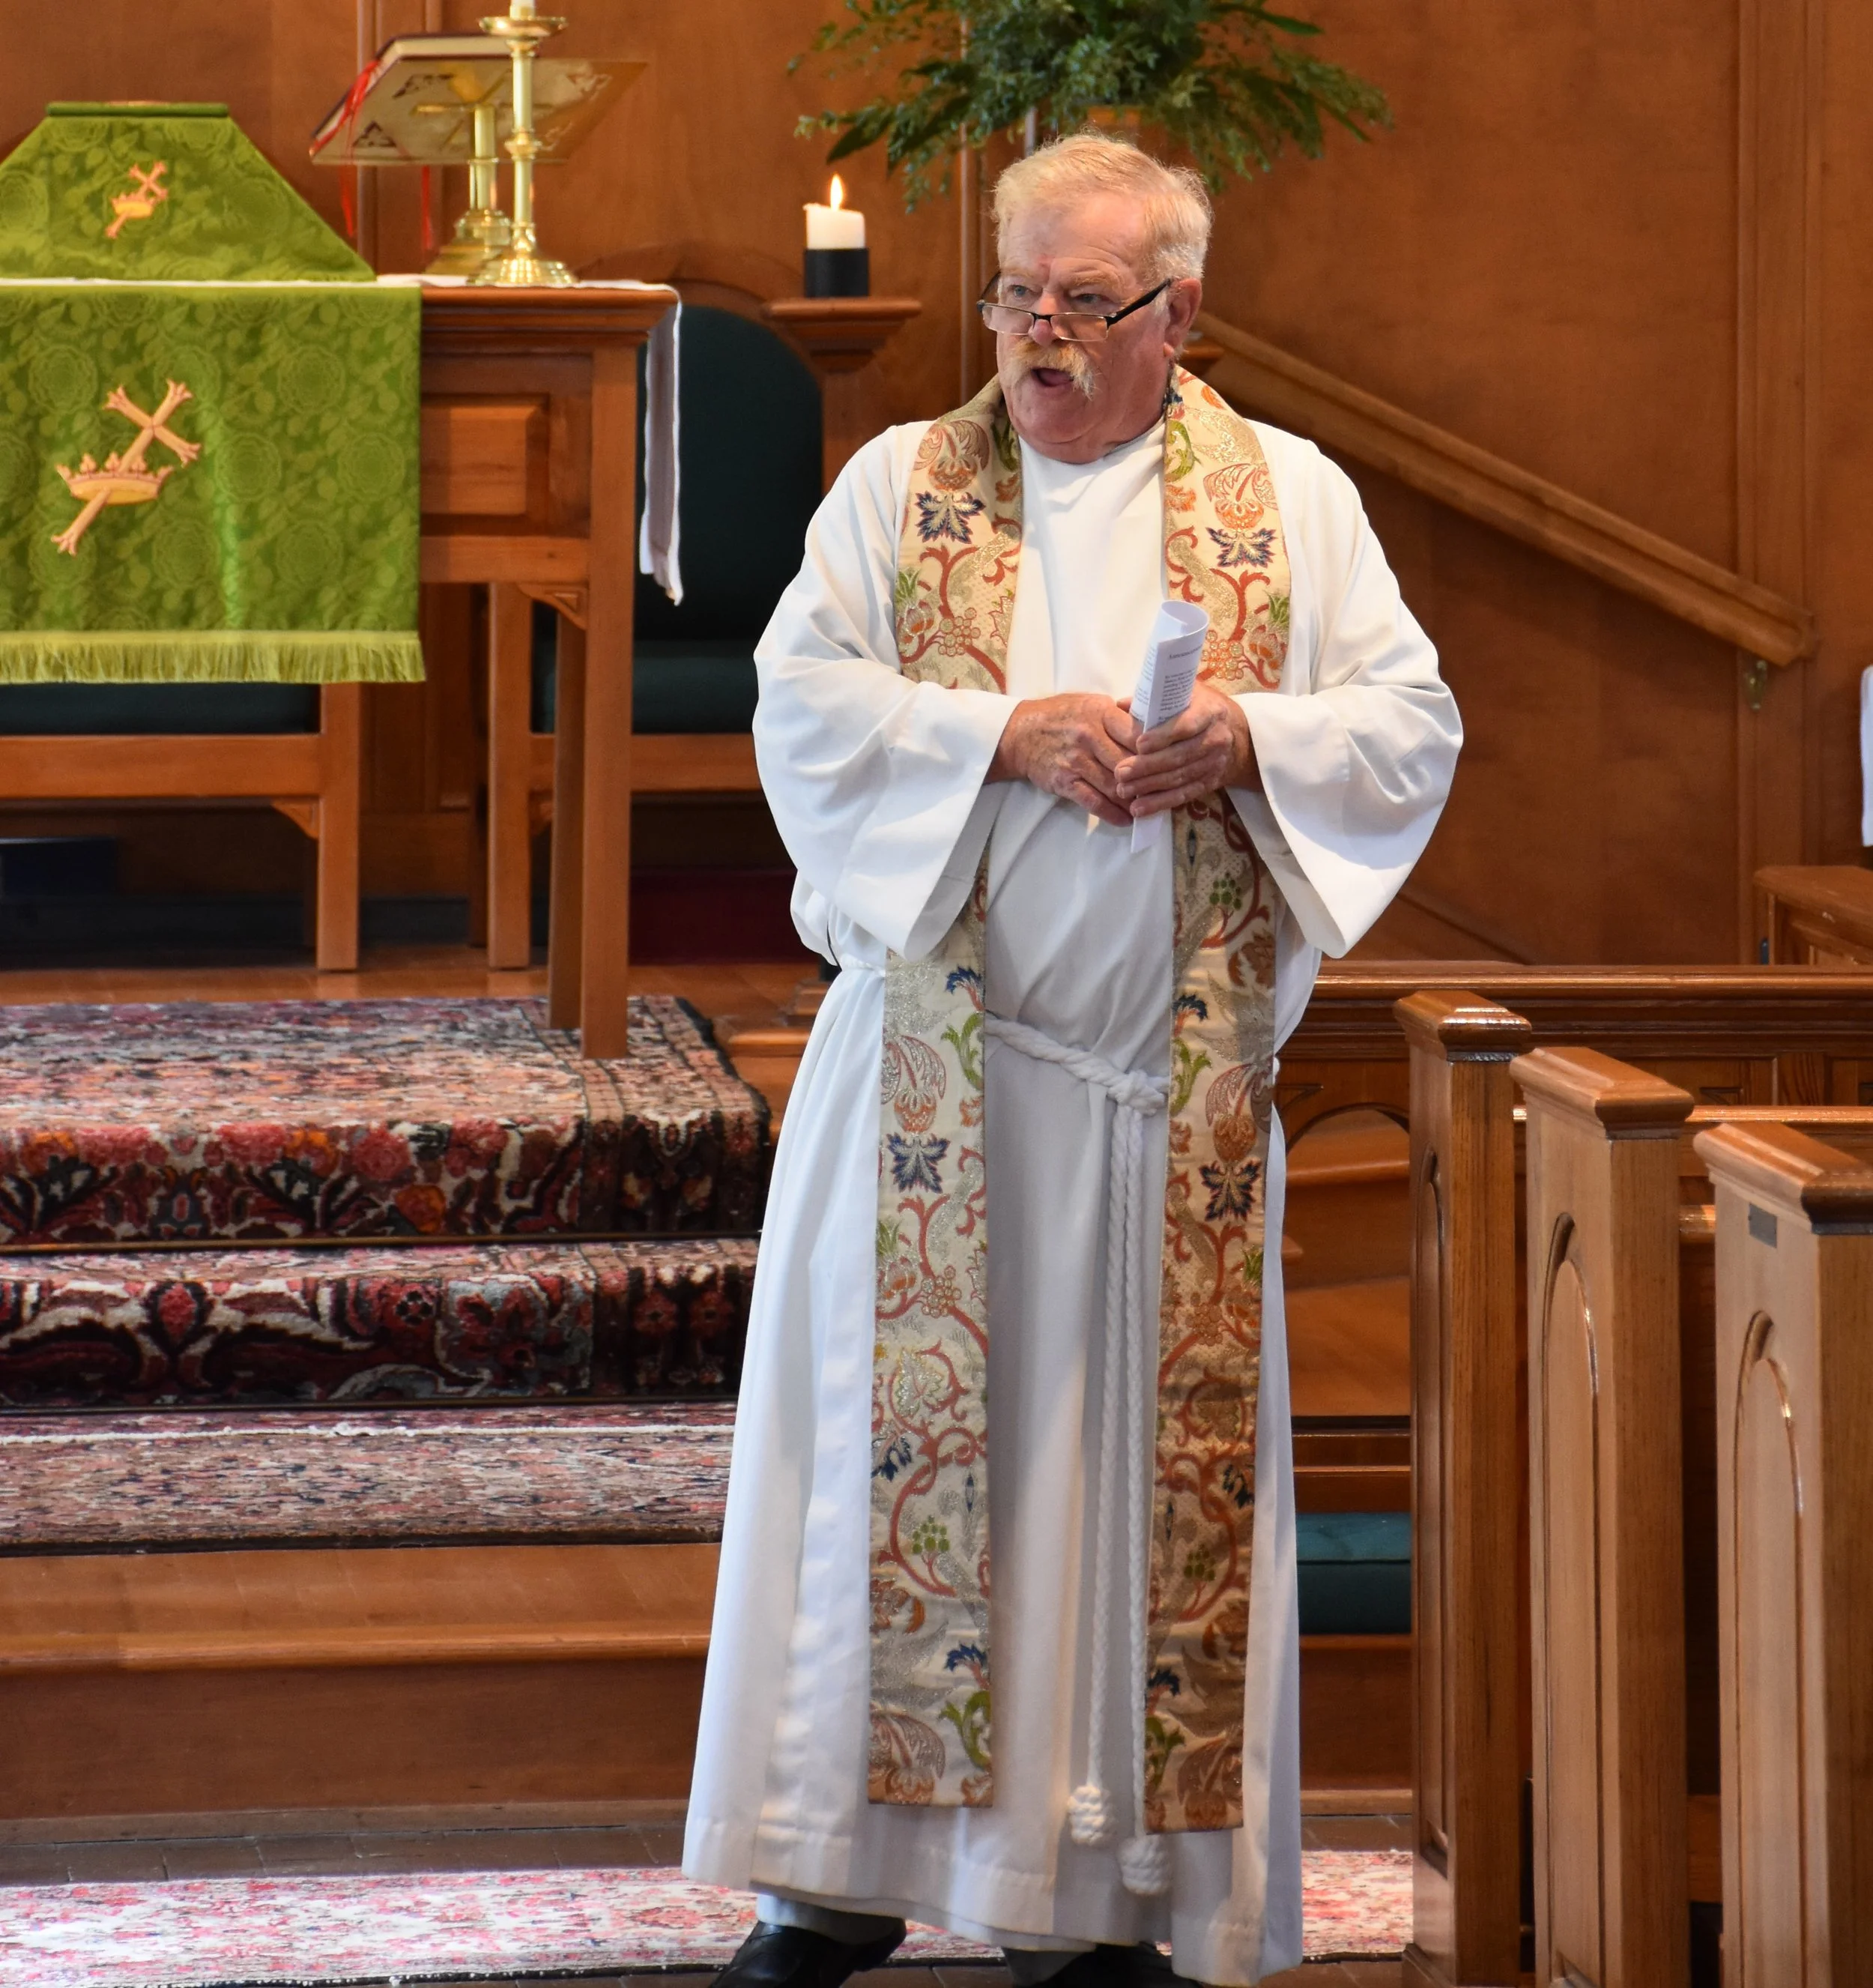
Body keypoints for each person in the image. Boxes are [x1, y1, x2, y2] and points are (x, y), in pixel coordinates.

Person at [684, 131, 1460, 1988]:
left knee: (1112, 1504)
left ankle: (1102, 1900)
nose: (1035, 331)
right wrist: (1000, 736)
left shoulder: (1287, 498)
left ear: (1175, 316)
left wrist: (1248, 746)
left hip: (1149, 1117)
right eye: (1015, 291)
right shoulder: (898, 485)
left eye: (1081, 301)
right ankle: (827, 1887)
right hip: (927, 1104)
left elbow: (1406, 718)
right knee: (868, 1469)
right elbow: (804, 703)